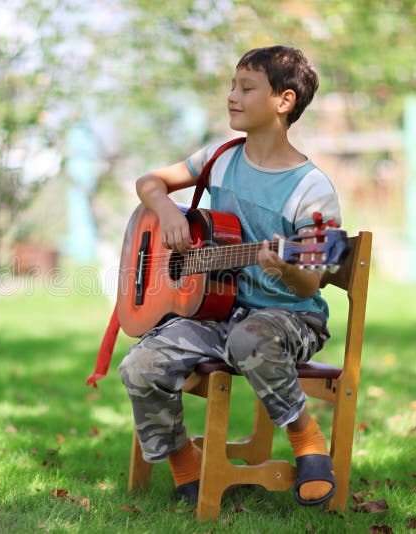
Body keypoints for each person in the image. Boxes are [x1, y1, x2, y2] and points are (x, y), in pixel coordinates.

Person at [117, 45, 341, 507]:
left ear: (284, 101)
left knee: (250, 340)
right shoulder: (220, 157)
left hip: (290, 316)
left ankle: (306, 436)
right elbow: (149, 182)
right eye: (232, 85)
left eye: (246, 87)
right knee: (139, 366)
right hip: (222, 311)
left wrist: (287, 266)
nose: (231, 96)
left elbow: (310, 283)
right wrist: (167, 212)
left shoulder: (311, 189)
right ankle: (186, 465)